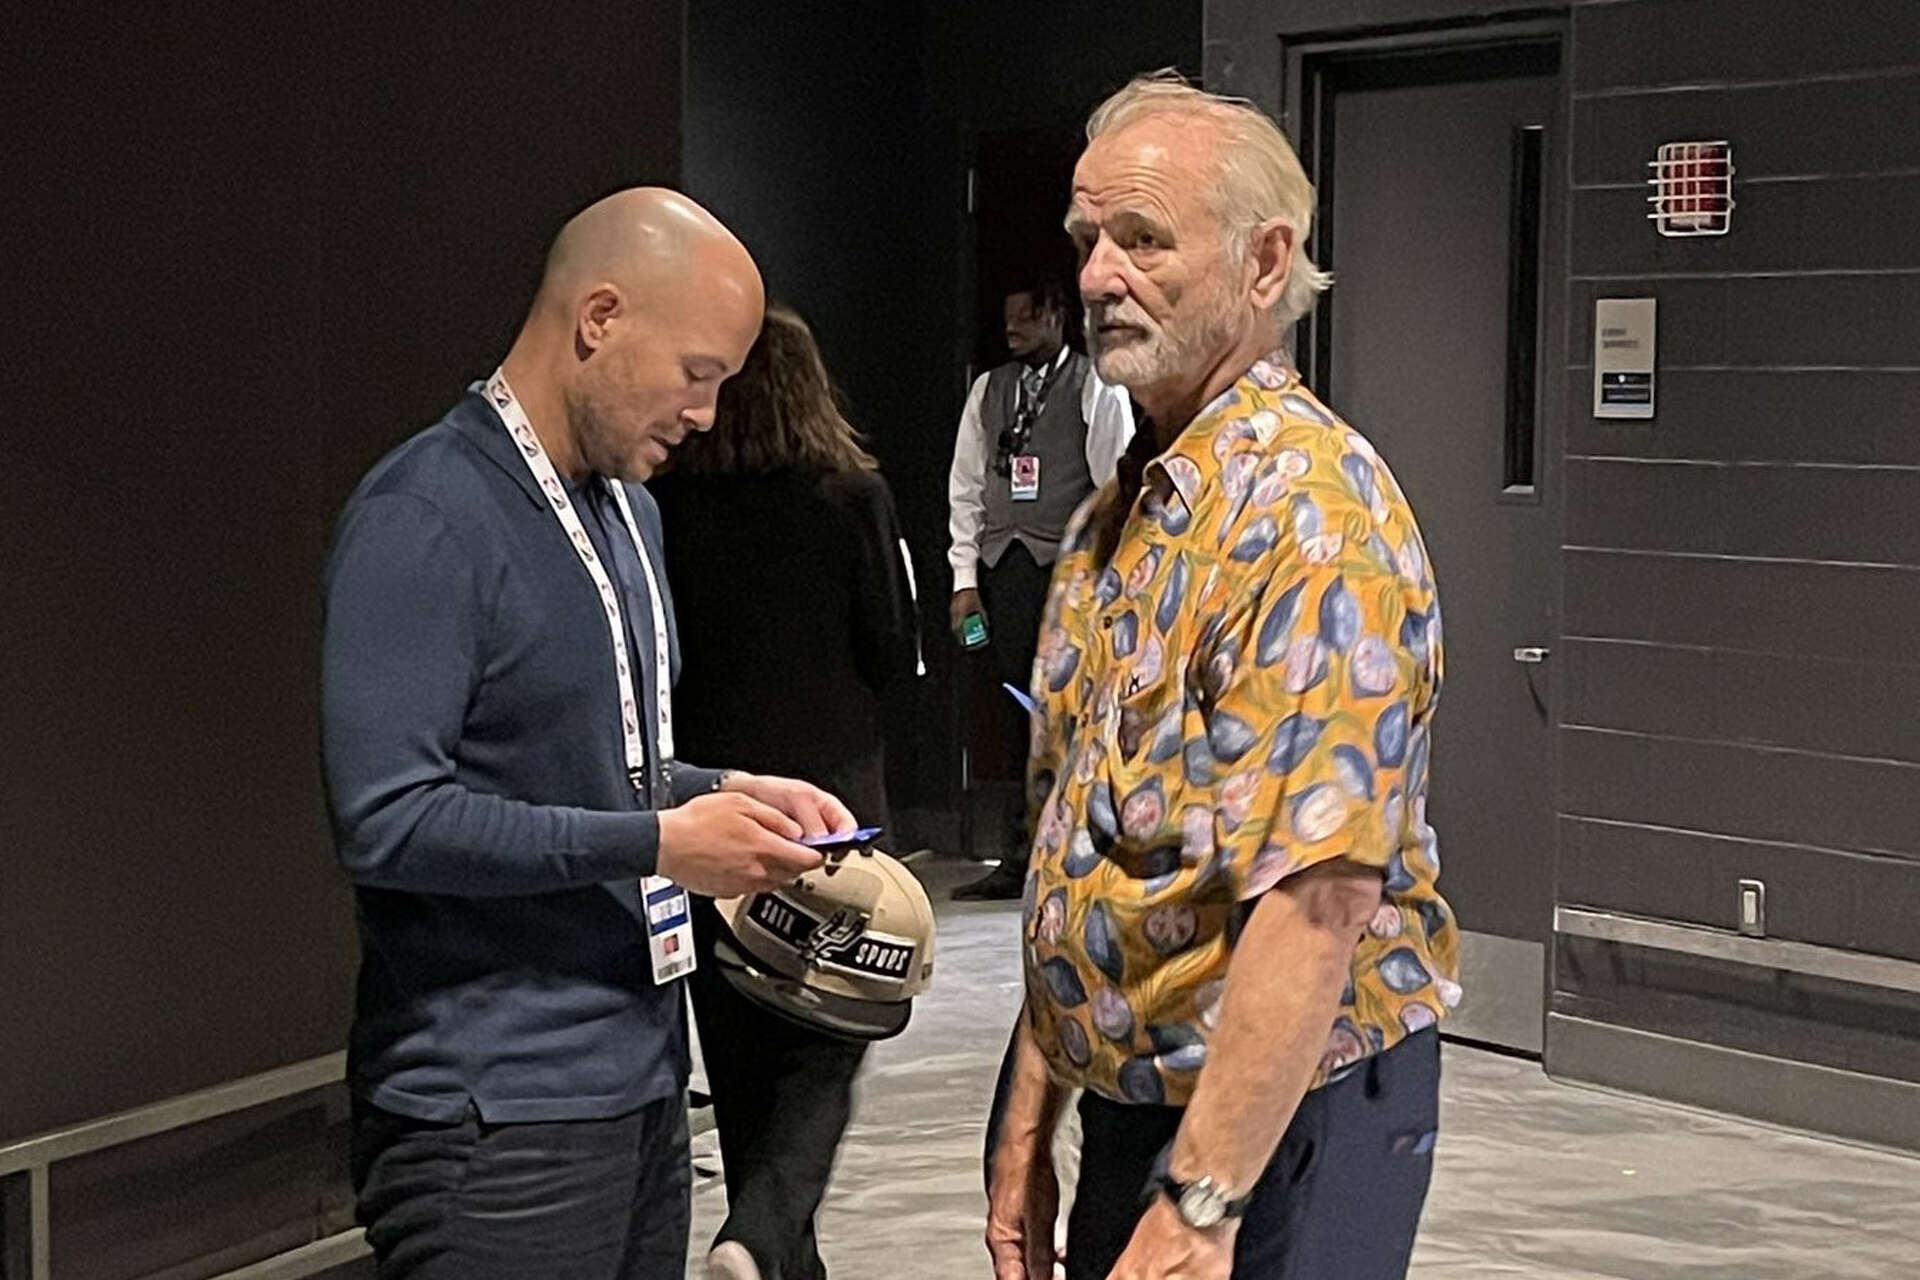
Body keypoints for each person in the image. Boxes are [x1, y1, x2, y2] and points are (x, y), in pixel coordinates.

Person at [321, 188, 861, 1280]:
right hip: (491, 1121)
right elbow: (388, 821)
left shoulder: (629, 510)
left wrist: (724, 789)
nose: (705, 414)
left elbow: (602, 765)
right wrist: (660, 842)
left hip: (643, 1091)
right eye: (697, 373)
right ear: (600, 318)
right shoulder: (425, 514)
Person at [984, 74, 1459, 1280]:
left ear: (1264, 262)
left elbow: (1318, 898)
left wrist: (1202, 1200)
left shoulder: (1310, 523)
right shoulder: (1119, 517)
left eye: (1144, 239)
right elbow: (1080, 843)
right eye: (1088, 240)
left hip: (1282, 1129)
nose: (1099, 277)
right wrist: (1029, 1113)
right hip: (1144, 1104)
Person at [651, 303, 919, 1280]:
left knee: (740, 1063)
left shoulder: (665, 504)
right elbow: (892, 647)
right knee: (828, 1046)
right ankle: (759, 1240)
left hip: (707, 814)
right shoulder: (853, 498)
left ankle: (762, 1248)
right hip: (831, 817)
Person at [947, 278, 1133, 900]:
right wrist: (965, 580)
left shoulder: (1095, 384)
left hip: (1067, 573)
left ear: (1056, 315)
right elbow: (967, 489)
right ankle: (1017, 849)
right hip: (1006, 571)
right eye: (1007, 318)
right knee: (1011, 712)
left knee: (1068, 709)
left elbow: (1114, 484)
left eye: (1025, 316)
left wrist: (1107, 575)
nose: (1013, 330)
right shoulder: (989, 391)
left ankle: (1075, 845)